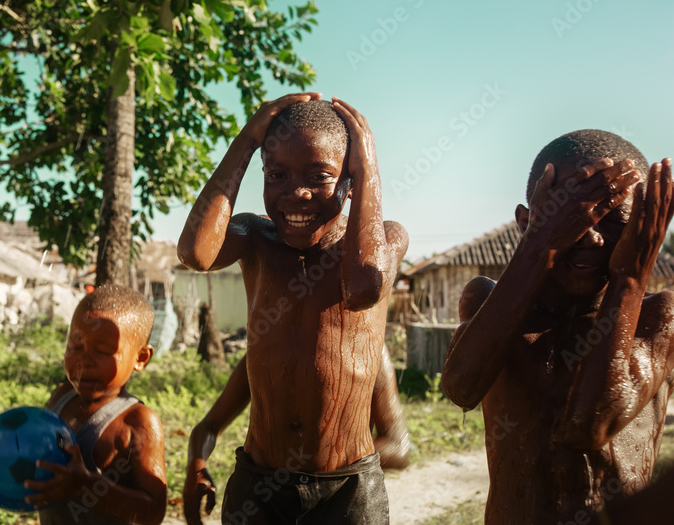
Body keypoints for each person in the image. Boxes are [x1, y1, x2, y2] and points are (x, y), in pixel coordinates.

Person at [178, 93, 407, 524]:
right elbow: (196, 253)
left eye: (319, 176)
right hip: (260, 484)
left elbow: (362, 287)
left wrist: (368, 165)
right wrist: (246, 140)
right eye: (276, 174)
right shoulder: (256, 238)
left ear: (351, 179)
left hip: (349, 487)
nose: (296, 193)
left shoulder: (387, 239)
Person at [441, 129, 674, 524]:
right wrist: (541, 244)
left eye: (614, 221)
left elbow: (589, 426)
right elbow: (460, 388)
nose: (591, 237)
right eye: (570, 220)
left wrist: (629, 280)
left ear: (642, 229)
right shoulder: (488, 300)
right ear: (525, 223)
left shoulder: (657, 317)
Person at [29, 285, 168, 525]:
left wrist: (85, 485)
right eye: (75, 346)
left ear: (140, 358)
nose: (84, 361)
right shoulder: (62, 396)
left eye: (103, 351)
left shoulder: (137, 422)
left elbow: (154, 511)